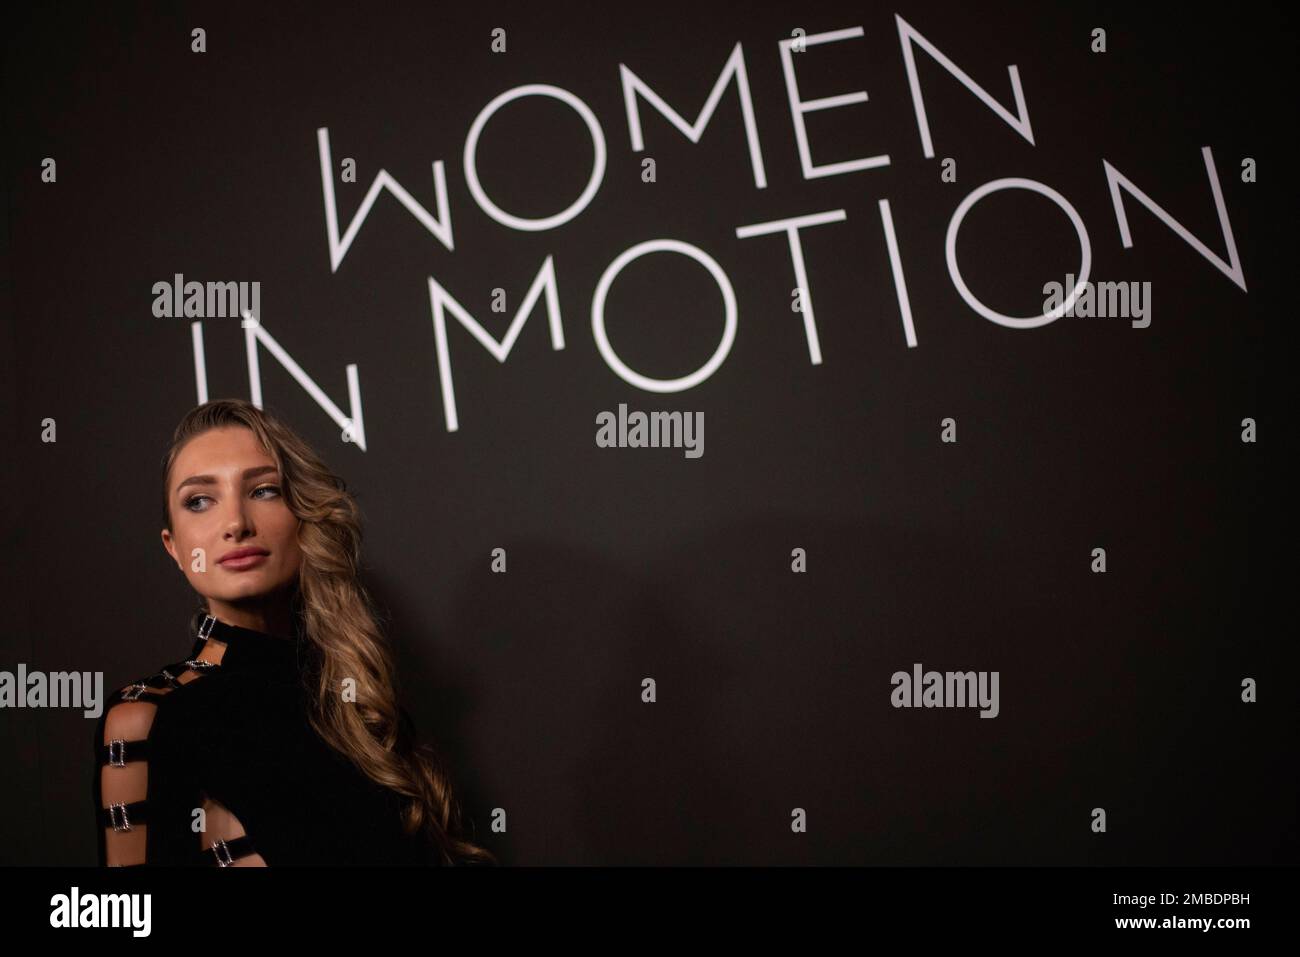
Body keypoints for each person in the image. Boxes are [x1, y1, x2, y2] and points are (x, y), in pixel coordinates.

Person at [92, 398, 494, 866]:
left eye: (263, 491)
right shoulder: (150, 716)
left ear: (302, 514)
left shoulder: (360, 709)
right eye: (199, 501)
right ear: (174, 547)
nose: (236, 524)